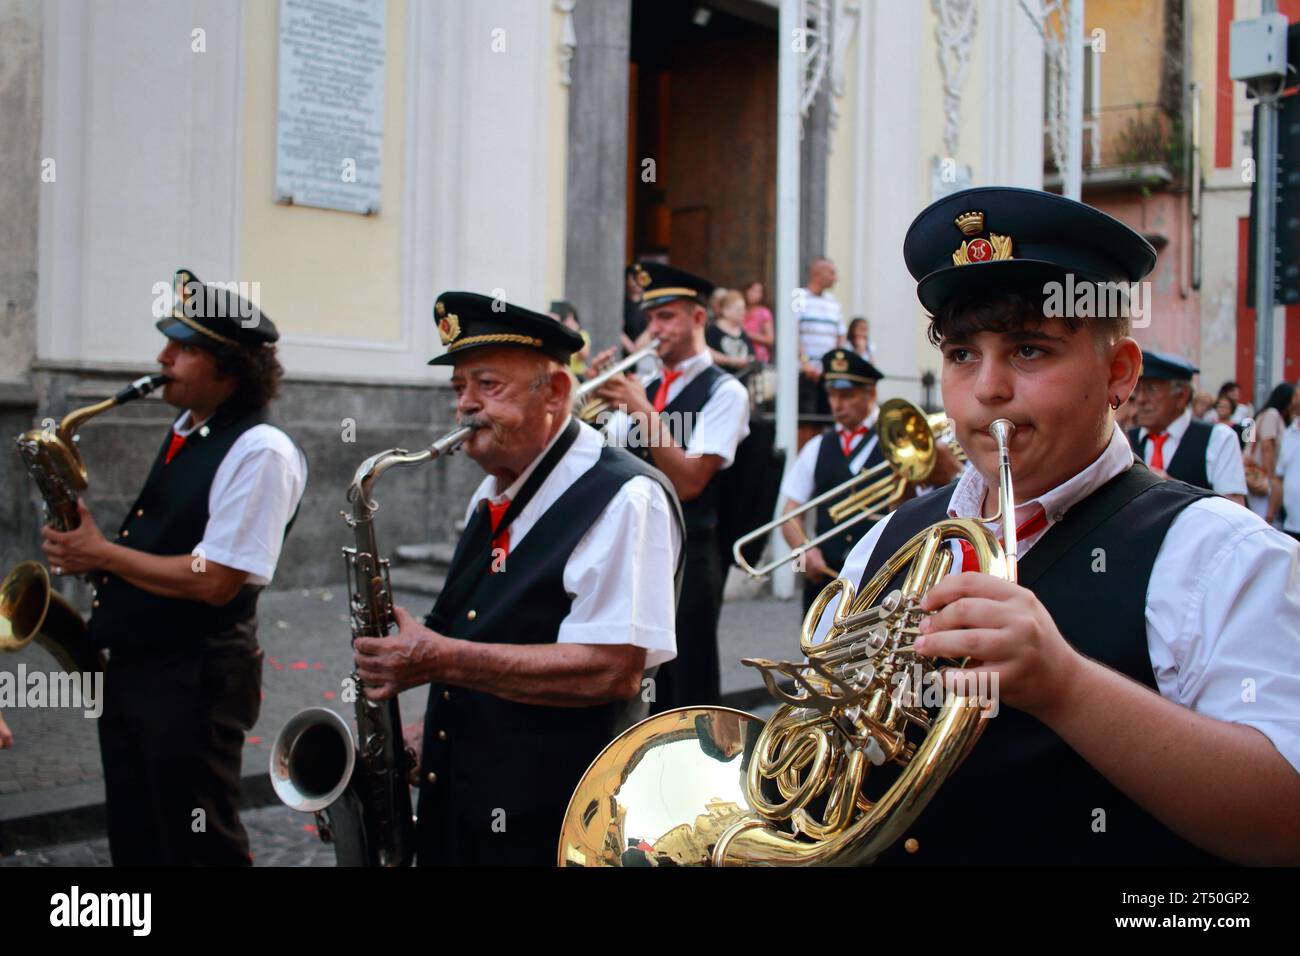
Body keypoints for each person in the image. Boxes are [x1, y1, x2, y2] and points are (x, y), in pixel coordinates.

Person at [828, 186, 1300, 865]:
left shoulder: (1222, 554)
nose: (987, 389)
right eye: (962, 354)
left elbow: (1285, 820)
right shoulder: (889, 539)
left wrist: (1067, 687)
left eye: (1028, 351)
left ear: (1118, 374)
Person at [353, 292, 683, 866]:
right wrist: (419, 737)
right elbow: (485, 638)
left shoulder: (628, 497)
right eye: (460, 389)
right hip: (468, 807)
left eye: (488, 386)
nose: (466, 407)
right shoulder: (493, 493)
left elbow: (613, 670)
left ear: (554, 394)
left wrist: (439, 661)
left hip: (555, 824)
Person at [41, 268, 308, 865]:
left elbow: (215, 581)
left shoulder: (260, 451)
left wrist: (102, 554)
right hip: (143, 668)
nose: (162, 359)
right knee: (138, 839)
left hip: (195, 679)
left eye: (182, 348)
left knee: (198, 844)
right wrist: (90, 557)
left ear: (229, 366)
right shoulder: (189, 426)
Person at [591, 263, 750, 715]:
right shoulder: (649, 386)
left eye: (666, 317)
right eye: (650, 318)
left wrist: (639, 406)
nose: (653, 329)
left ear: (699, 319)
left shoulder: (725, 391)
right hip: (631, 549)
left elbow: (689, 480)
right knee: (633, 678)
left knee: (686, 682)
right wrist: (590, 407)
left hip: (688, 555)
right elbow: (600, 460)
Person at [777, 348, 886, 610]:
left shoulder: (897, 443)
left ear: (870, 393)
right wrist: (803, 553)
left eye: (846, 395)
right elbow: (788, 515)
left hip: (881, 583)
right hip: (826, 587)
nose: (837, 404)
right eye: (832, 394)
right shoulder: (817, 446)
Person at [1128, 350, 1247, 505]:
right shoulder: (1129, 439)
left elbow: (1234, 509)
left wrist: (1172, 488)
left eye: (1151, 389)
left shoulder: (1218, 438)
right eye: (1137, 390)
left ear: (1182, 396)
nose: (1140, 399)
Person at [796, 257, 845, 447]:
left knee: (824, 419)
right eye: (831, 273)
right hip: (805, 372)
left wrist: (832, 365)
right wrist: (805, 362)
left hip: (826, 372)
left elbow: (840, 337)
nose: (835, 278)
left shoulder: (835, 303)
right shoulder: (798, 297)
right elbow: (794, 331)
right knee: (804, 420)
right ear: (818, 273)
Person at [1244, 383, 1294, 520]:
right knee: (1265, 519)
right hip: (1262, 476)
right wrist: (1272, 478)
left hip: (1257, 473)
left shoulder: (1263, 413)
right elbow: (1267, 446)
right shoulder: (1272, 414)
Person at [1267, 386, 1300, 538]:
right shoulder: (1287, 430)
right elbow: (1280, 477)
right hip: (1291, 524)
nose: (1293, 402)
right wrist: (1271, 513)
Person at [706, 289, 755, 374]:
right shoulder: (713, 330)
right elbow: (706, 352)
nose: (743, 313)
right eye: (739, 309)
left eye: (744, 309)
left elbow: (751, 354)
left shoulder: (741, 332)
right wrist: (732, 361)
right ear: (725, 310)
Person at [550, 299, 590, 377]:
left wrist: (573, 331)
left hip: (576, 375)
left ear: (570, 316)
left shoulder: (582, 334)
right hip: (561, 374)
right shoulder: (561, 333)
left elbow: (583, 356)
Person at [742, 280, 774, 364]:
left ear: (762, 295)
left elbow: (770, 339)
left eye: (757, 292)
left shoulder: (764, 312)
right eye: (751, 290)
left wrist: (747, 334)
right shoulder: (741, 310)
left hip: (758, 356)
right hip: (741, 355)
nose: (753, 294)